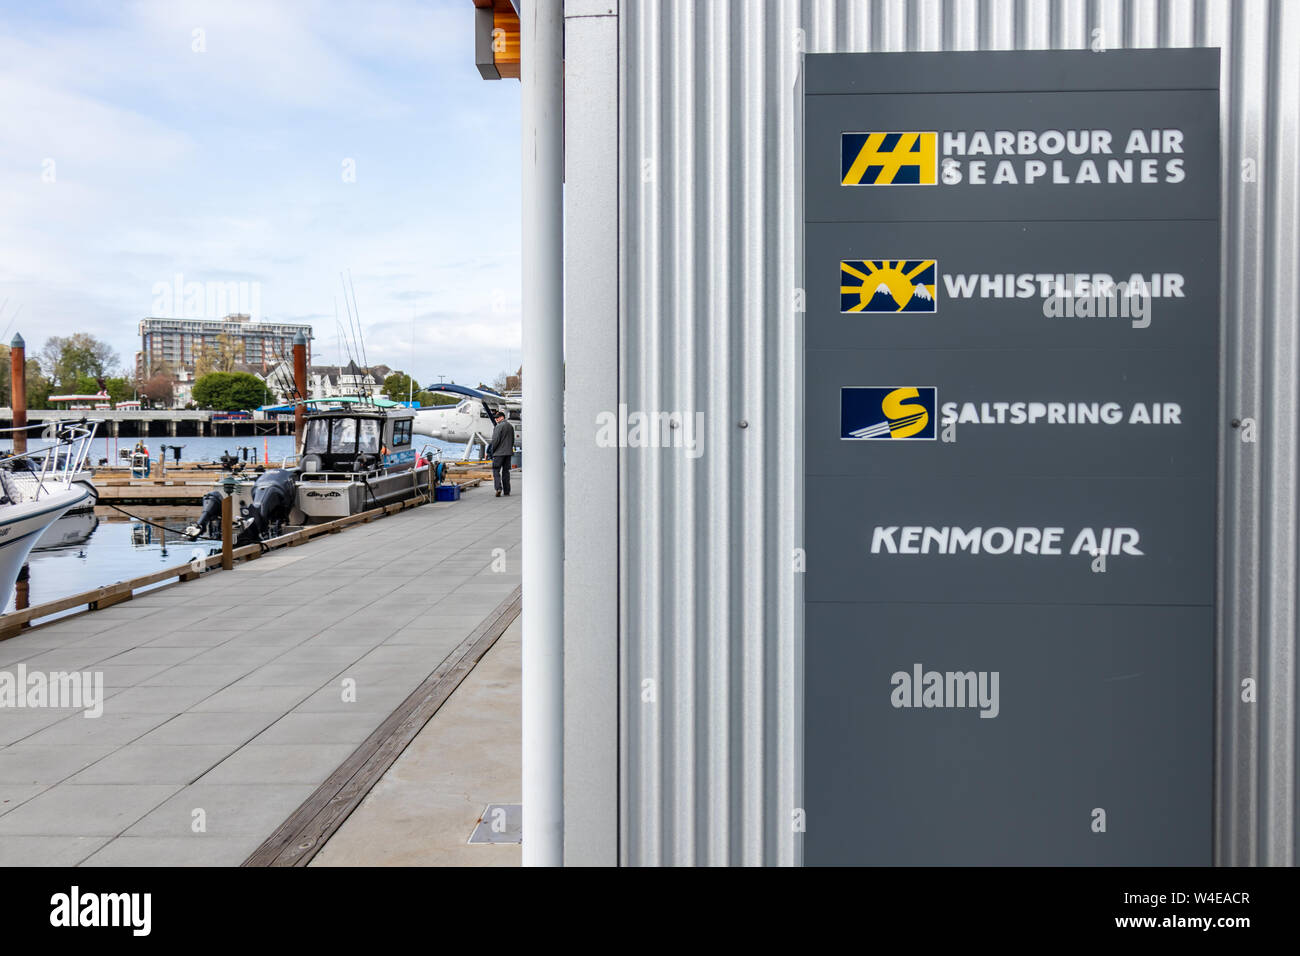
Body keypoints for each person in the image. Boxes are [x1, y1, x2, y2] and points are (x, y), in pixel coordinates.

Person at [486, 408, 515, 497]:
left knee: (496, 470)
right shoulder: (510, 426)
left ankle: (498, 488)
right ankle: (507, 491)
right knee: (506, 472)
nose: (496, 419)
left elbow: (495, 440)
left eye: (497, 418)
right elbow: (512, 440)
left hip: (499, 453)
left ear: (502, 417)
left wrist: (491, 452)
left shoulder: (498, 426)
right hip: (508, 453)